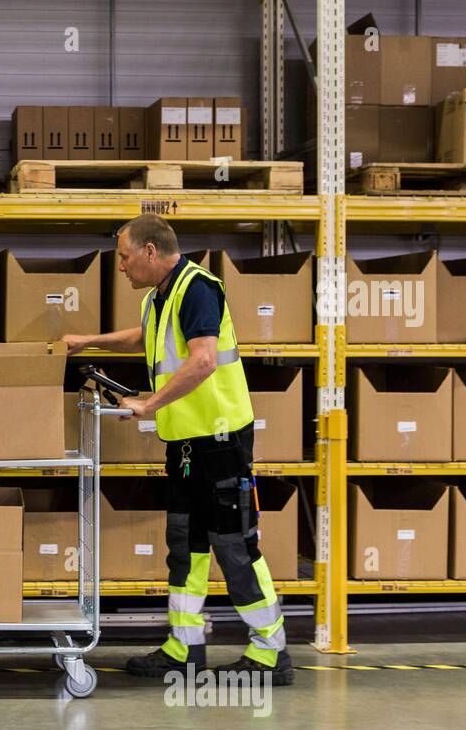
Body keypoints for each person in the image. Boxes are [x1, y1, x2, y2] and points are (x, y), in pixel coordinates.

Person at [63, 214, 294, 684]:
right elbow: (143, 336)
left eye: (125, 257)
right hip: (186, 441)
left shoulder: (197, 288)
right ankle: (183, 647)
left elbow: (204, 360)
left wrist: (150, 403)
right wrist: (90, 341)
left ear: (151, 252)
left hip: (221, 439)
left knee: (235, 544)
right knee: (185, 545)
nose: (121, 267)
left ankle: (271, 651)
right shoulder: (159, 298)